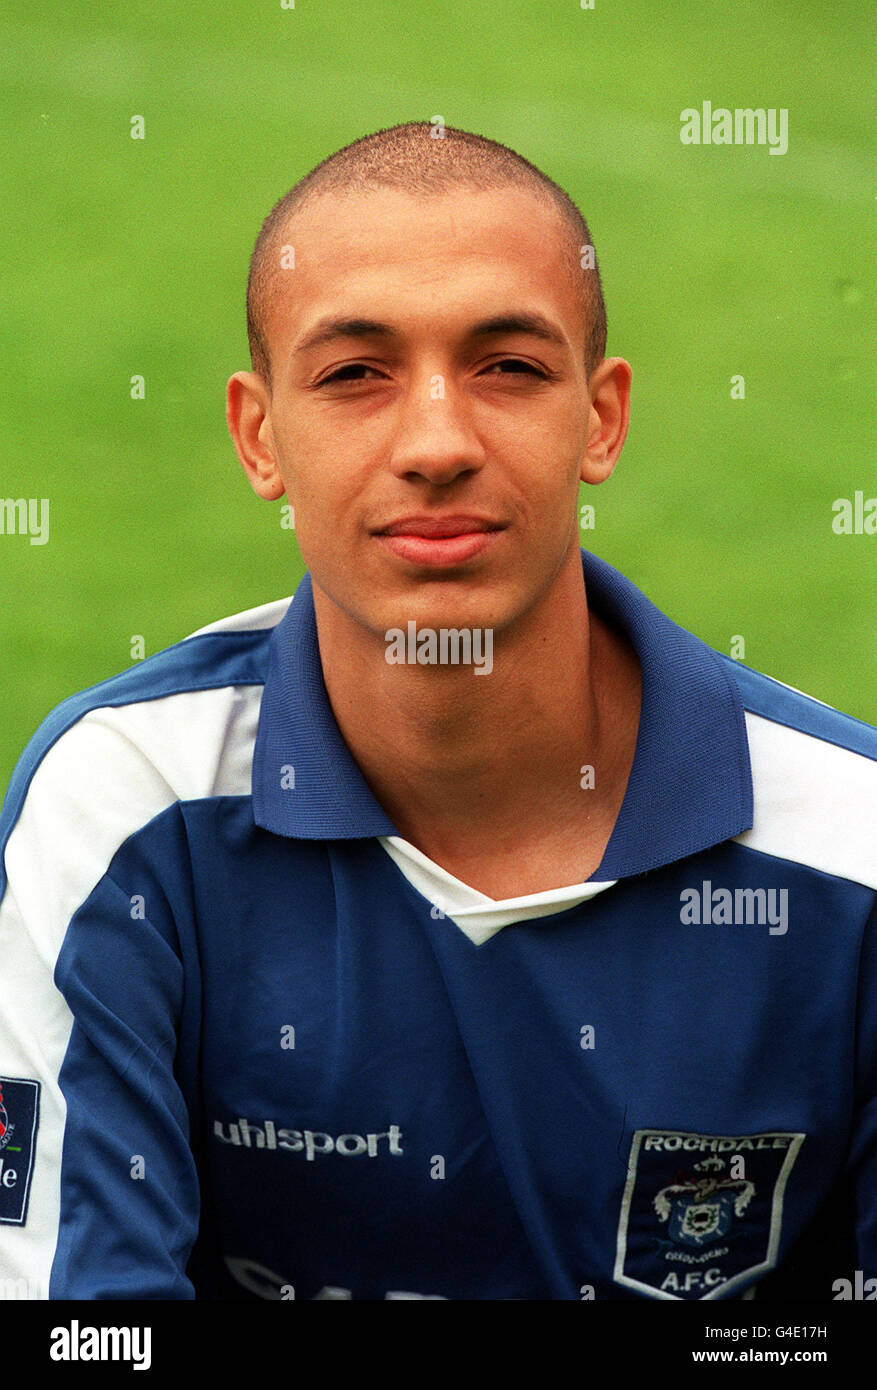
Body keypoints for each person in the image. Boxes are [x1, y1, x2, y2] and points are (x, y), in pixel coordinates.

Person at [0, 122, 874, 1302]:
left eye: (506, 366)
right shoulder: (118, 809)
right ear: (260, 434)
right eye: (355, 373)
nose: (436, 444)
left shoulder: (848, 844)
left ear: (601, 419)